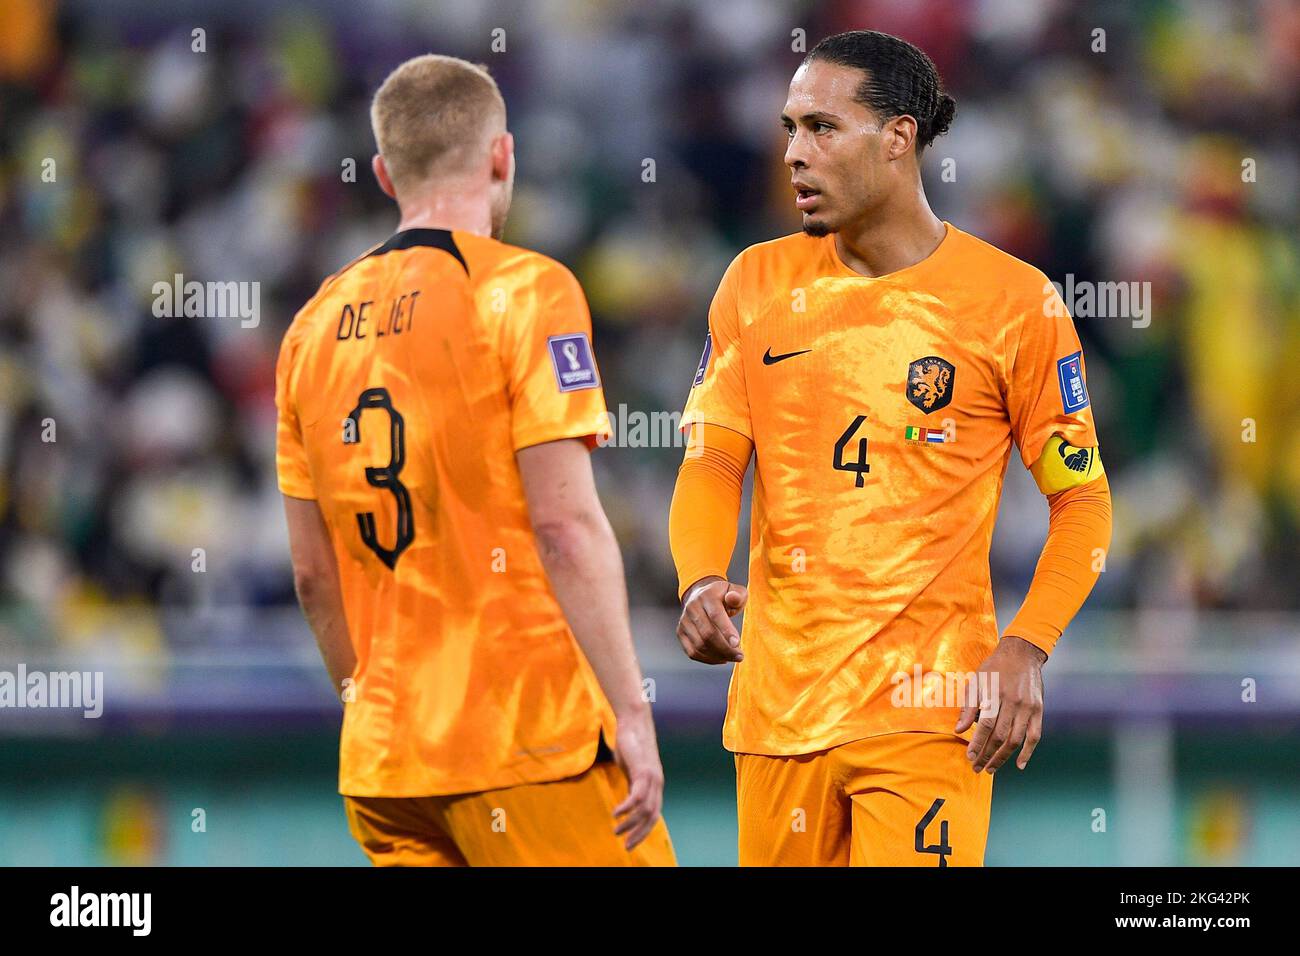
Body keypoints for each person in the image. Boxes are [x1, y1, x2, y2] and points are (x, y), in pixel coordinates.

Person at [669, 30, 1112, 866]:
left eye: (822, 128)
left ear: (898, 137)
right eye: (789, 129)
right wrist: (697, 576)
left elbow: (1082, 499)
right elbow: (712, 461)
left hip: (927, 714)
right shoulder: (753, 283)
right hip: (778, 717)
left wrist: (1026, 645)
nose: (795, 154)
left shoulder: (1015, 303)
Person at [276, 54, 674, 866]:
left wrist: (373, 708)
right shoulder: (527, 290)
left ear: (386, 174)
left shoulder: (309, 329)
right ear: (503, 156)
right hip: (529, 739)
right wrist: (632, 712)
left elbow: (315, 578)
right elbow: (564, 525)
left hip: (389, 767)